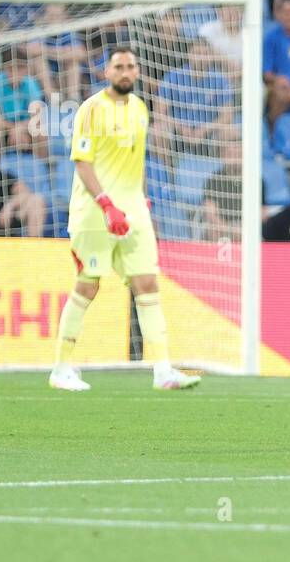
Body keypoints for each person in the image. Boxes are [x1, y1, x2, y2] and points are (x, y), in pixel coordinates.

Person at [48, 45, 200, 392]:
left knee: (148, 284)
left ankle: (162, 370)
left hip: (133, 212)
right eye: (119, 66)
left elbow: (135, 161)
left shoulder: (139, 108)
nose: (126, 72)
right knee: (89, 284)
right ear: (107, 72)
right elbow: (82, 162)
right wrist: (106, 205)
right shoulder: (91, 109)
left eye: (131, 66)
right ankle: (60, 368)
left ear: (138, 72)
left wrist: (141, 199)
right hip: (94, 213)